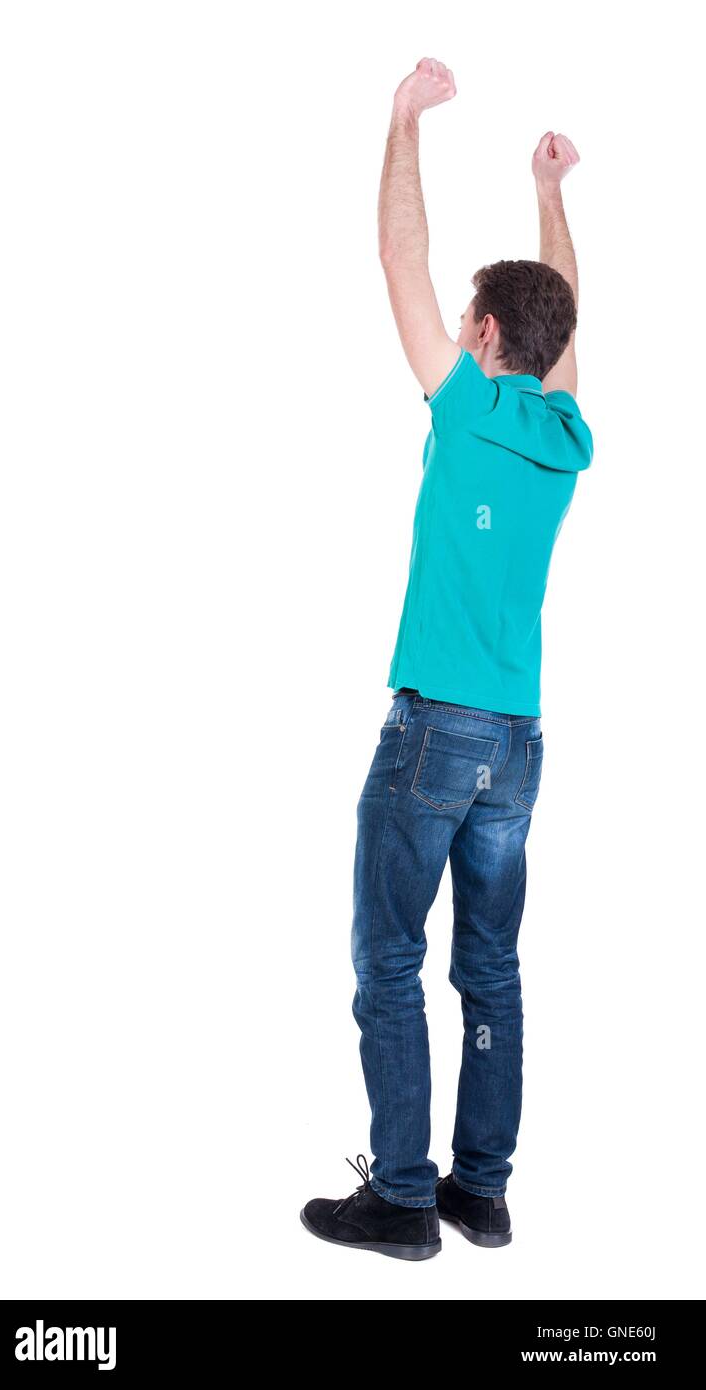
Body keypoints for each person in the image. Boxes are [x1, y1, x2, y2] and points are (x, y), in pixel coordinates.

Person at [301, 59, 594, 1260]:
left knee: (389, 960)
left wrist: (403, 121)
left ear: (483, 336)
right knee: (490, 967)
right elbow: (560, 320)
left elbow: (398, 259)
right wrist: (548, 192)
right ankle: (482, 1189)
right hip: (517, 747)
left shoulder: (467, 404)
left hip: (436, 735)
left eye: (472, 321)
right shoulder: (564, 433)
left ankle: (405, 1198)